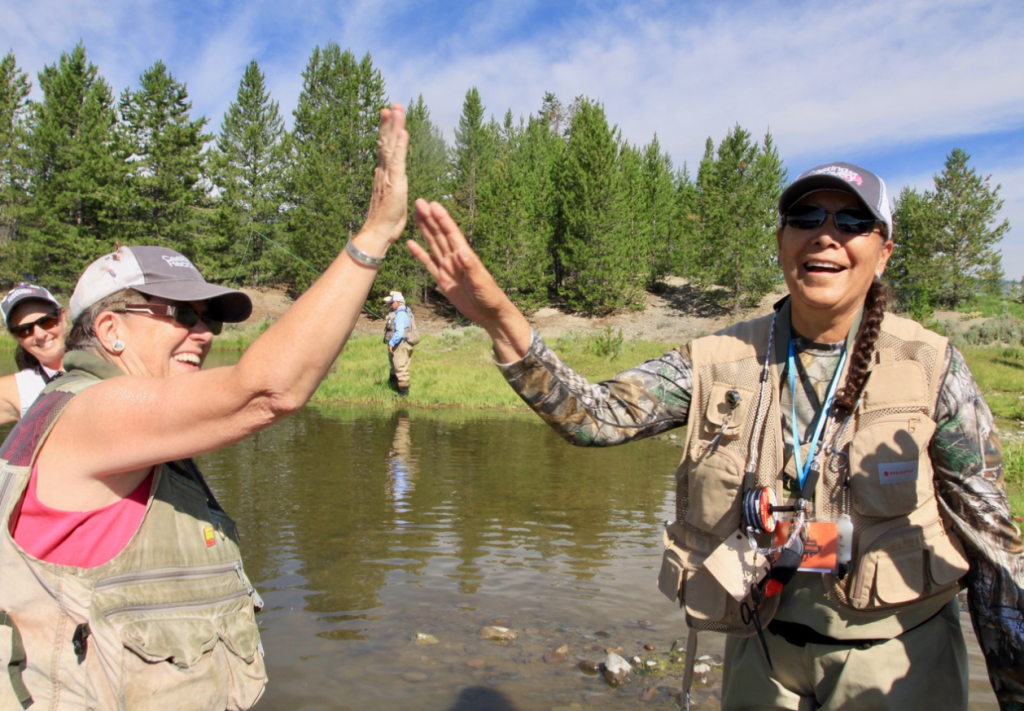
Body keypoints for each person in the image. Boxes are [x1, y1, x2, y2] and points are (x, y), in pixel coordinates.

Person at [409, 162, 1024, 711]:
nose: (825, 234)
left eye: (852, 221)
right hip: (761, 653)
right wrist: (503, 322)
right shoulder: (717, 357)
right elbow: (596, 418)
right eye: (805, 216)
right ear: (782, 241)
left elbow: (994, 553)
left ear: (884, 251)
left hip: (896, 656)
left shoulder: (934, 364)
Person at [0, 104, 408, 710]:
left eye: (211, 317)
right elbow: (267, 390)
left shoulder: (125, 423)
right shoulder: (88, 414)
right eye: (184, 314)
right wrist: (374, 236)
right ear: (110, 330)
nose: (206, 331)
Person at [0, 284, 68, 424]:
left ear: (62, 316)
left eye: (47, 321)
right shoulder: (19, 387)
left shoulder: (107, 361)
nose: (40, 335)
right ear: (16, 338)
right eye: (25, 330)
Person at [383, 290, 413, 396]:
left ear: (398, 302)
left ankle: (404, 395)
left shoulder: (400, 314)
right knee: (396, 366)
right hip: (404, 344)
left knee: (400, 368)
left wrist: (391, 343)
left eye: (392, 302)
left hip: (401, 345)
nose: (390, 304)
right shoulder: (406, 311)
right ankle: (393, 386)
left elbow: (399, 332)